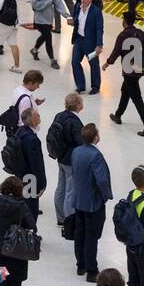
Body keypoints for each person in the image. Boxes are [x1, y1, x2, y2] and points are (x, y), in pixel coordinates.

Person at [71, 123, 112, 281]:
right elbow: (101, 180)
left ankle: (80, 265)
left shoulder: (76, 151)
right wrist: (106, 195)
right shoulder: (96, 156)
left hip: (79, 198)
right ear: (95, 136)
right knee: (91, 235)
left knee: (79, 233)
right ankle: (92, 269)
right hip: (93, 202)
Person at [105, 11, 144, 135]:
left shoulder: (123, 35)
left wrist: (107, 63)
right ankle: (118, 115)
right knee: (125, 90)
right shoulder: (141, 33)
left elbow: (116, 52)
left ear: (125, 22)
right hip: (140, 69)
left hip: (130, 71)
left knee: (137, 98)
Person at [49, 92, 84, 228]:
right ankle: (69, 221)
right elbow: (80, 142)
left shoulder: (60, 115)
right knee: (71, 191)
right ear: (77, 105)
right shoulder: (74, 122)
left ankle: (60, 218)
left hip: (61, 157)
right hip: (71, 160)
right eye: (81, 102)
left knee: (61, 187)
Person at [29, 0, 69, 69]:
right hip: (39, 20)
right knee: (48, 37)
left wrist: (67, 15)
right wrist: (47, 3)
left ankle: (34, 50)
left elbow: (58, 4)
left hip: (48, 20)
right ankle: (52, 60)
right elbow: (34, 4)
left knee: (44, 36)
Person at [68, 0, 104, 95]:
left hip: (91, 43)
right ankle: (80, 85)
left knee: (93, 64)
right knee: (75, 61)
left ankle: (95, 86)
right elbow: (77, 20)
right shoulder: (78, 6)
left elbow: (99, 29)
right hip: (79, 40)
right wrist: (72, 21)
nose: (83, 0)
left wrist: (99, 44)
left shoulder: (96, 12)